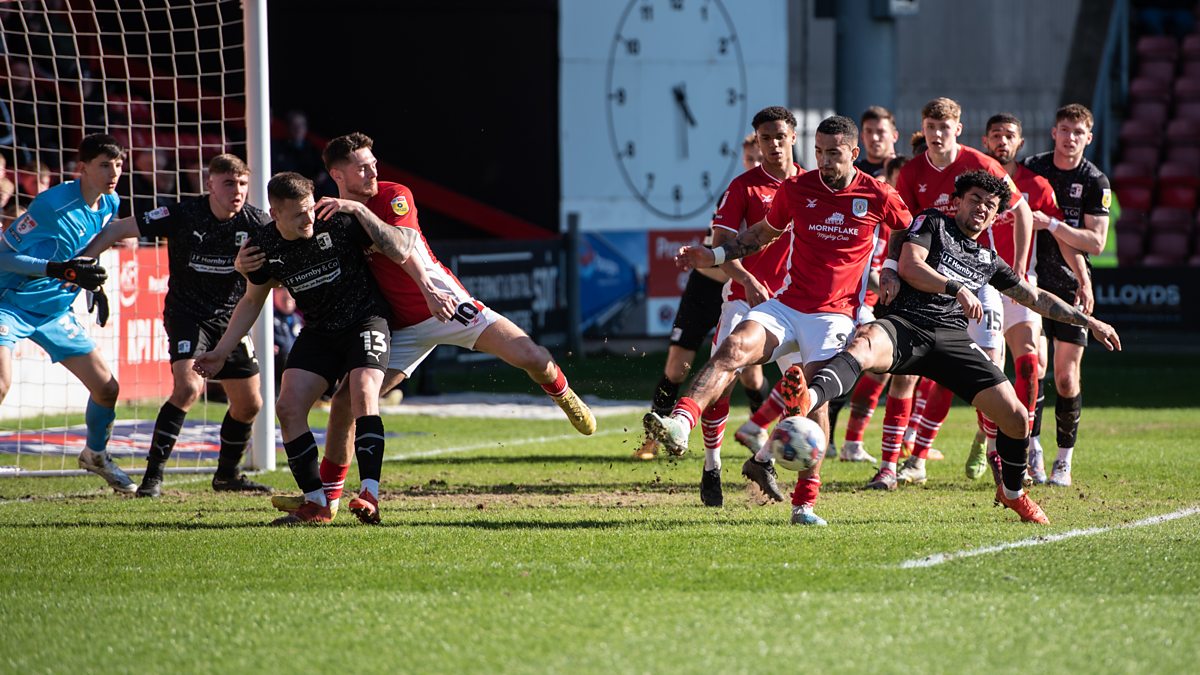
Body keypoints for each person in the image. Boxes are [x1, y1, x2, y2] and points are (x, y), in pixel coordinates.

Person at [257, 133, 594, 524]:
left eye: (374, 163)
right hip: (400, 325)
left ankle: (565, 395)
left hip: (444, 303)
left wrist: (360, 210)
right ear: (337, 173)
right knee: (347, 403)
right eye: (362, 167)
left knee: (530, 356)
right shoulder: (327, 215)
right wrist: (253, 266)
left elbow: (401, 247)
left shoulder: (393, 195)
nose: (373, 171)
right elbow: (294, 256)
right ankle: (326, 501)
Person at [772, 170, 1120, 524]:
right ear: (957, 202)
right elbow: (910, 267)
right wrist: (956, 288)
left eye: (991, 205)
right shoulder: (932, 222)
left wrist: (1087, 321)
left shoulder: (987, 259)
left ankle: (1013, 493)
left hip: (952, 342)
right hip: (905, 325)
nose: (982, 209)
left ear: (997, 214)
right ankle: (808, 400)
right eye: (975, 200)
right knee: (863, 343)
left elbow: (1034, 297)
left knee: (1016, 418)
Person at [645, 115, 912, 525]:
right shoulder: (796, 189)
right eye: (819, 152)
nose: (823, 161)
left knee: (813, 401)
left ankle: (804, 503)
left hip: (835, 315)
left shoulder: (877, 193)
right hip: (786, 304)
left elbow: (909, 230)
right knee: (733, 347)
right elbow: (759, 236)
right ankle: (682, 422)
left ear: (854, 154)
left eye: (834, 154)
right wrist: (713, 256)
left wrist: (891, 266)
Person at [194, 171, 419, 525]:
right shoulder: (262, 246)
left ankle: (370, 494)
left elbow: (403, 245)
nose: (309, 218)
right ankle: (317, 503)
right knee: (288, 405)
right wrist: (222, 350)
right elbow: (252, 301)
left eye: (310, 209)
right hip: (319, 333)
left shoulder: (338, 221)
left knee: (362, 393)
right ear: (275, 213)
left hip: (365, 321)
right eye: (299, 214)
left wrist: (361, 214)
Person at [81, 154, 272, 497]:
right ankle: (152, 478)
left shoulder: (256, 221)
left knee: (250, 404)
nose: (237, 191)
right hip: (188, 316)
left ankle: (226, 476)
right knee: (187, 388)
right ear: (210, 183)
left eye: (242, 184)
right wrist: (84, 260)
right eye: (229, 183)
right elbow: (118, 228)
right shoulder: (182, 214)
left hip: (231, 320)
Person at [867, 97, 1032, 490]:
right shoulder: (911, 172)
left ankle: (992, 443)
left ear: (958, 129)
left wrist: (1022, 270)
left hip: (976, 277)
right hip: (926, 276)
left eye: (945, 127)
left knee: (989, 366)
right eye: (930, 127)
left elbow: (1021, 210)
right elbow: (900, 225)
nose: (937, 134)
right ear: (922, 129)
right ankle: (896, 465)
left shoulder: (980, 165)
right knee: (905, 376)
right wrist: (890, 268)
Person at [0, 133, 134, 492]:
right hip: (8, 304)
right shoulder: (50, 205)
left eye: (118, 165)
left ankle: (95, 455)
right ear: (83, 168)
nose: (114, 172)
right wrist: (58, 270)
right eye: (105, 165)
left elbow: (86, 253)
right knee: (1, 383)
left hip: (54, 310)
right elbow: (3, 255)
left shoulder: (110, 202)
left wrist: (95, 286)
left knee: (107, 389)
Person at [632, 135, 772, 461]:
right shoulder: (738, 191)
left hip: (740, 292)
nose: (753, 163)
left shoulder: (780, 194)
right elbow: (721, 248)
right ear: (742, 159)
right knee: (676, 368)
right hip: (706, 289)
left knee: (751, 374)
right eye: (749, 157)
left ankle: (759, 433)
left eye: (758, 157)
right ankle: (653, 440)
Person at [698, 106, 802, 507]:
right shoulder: (743, 187)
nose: (773, 144)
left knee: (801, 392)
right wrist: (748, 280)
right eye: (765, 137)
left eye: (780, 136)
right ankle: (711, 466)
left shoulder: (811, 184)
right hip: (744, 301)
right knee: (720, 384)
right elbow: (721, 247)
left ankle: (761, 460)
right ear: (756, 142)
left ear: (794, 137)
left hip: (795, 304)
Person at [975, 113, 1078, 483]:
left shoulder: (1037, 185)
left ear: (1021, 144)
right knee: (988, 371)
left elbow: (1061, 237)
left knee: (1030, 365)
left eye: (1010, 136)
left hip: (1020, 283)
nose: (1003, 141)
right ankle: (988, 439)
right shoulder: (977, 182)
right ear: (985, 141)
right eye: (996, 135)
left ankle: (1029, 448)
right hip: (980, 284)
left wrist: (1083, 277)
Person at [1022, 104, 1111, 487]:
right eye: (1064, 129)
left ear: (1088, 138)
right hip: (1027, 280)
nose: (1070, 137)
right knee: (1032, 369)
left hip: (1070, 282)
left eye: (1078, 132)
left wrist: (1054, 224)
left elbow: (1097, 242)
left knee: (1065, 377)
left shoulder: (1095, 181)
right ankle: (1034, 450)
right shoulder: (1032, 168)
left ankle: (1064, 459)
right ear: (1053, 133)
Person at [837, 155, 909, 462]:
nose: (898, 188)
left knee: (886, 371)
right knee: (844, 361)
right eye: (895, 181)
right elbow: (865, 265)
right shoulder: (871, 212)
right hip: (861, 301)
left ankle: (856, 444)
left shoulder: (910, 219)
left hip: (882, 300)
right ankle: (758, 424)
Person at [855, 106, 899, 178]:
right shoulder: (853, 173)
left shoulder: (907, 168)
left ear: (895, 136)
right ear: (862, 137)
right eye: (869, 131)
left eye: (881, 132)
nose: (874, 138)